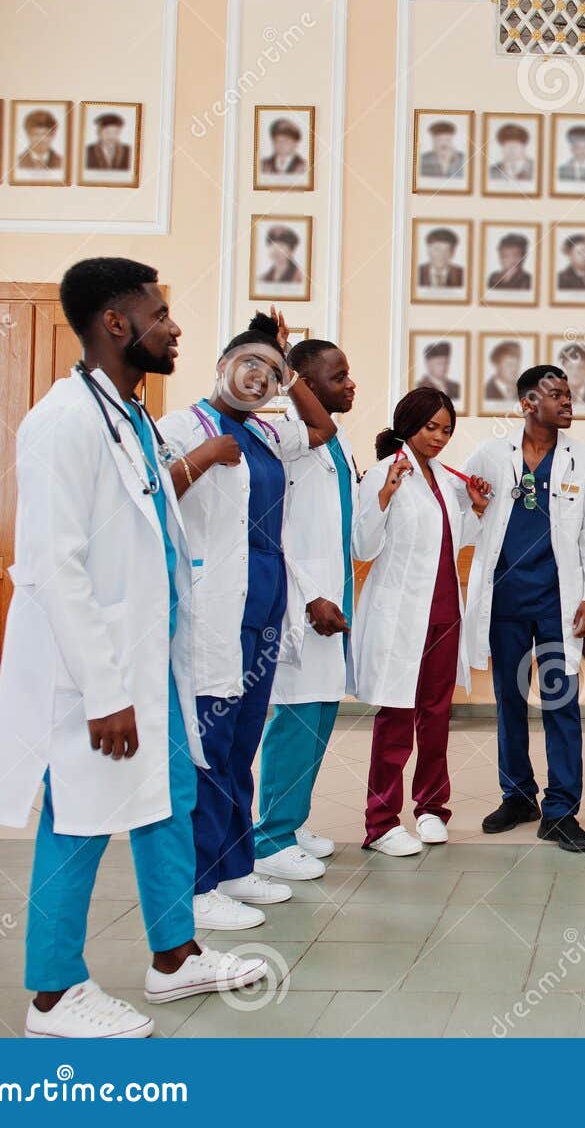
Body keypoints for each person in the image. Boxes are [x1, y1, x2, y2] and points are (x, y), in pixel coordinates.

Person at [0, 257, 265, 1038]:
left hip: (148, 660)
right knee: (78, 814)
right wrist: (105, 691)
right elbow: (53, 566)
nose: (174, 327)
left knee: (166, 800)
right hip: (93, 670)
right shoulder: (62, 421)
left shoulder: (130, 416)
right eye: (160, 314)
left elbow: (145, 522)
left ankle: (173, 958)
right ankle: (52, 992)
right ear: (116, 323)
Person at [159, 312, 336, 930]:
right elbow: (152, 497)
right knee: (208, 748)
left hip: (262, 605)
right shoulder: (182, 427)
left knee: (240, 745)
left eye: (272, 373)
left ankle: (235, 867)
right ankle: (198, 886)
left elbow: (322, 426)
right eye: (249, 365)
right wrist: (207, 455)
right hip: (213, 608)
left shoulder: (266, 433)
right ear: (220, 367)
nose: (259, 378)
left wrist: (288, 365)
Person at [462, 365, 585, 852]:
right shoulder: (489, 454)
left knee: (559, 702)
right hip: (505, 598)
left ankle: (562, 808)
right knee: (508, 700)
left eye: (569, 394)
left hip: (557, 602)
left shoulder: (583, 462)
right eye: (557, 395)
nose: (568, 401)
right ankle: (518, 795)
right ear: (528, 403)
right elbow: (465, 520)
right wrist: (477, 509)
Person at [355, 388, 492, 855]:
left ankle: (432, 809)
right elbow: (362, 546)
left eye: (446, 430)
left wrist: (474, 506)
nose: (439, 437)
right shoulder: (382, 473)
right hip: (400, 616)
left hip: (444, 614)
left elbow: (458, 541)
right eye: (430, 427)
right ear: (406, 423)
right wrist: (385, 494)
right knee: (395, 719)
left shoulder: (445, 478)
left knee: (436, 717)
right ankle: (381, 822)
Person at [252, 339, 359, 883]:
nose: (350, 384)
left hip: (334, 597)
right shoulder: (287, 444)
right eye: (338, 377)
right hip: (303, 602)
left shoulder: (337, 448)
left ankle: (290, 825)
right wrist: (312, 594)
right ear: (307, 387)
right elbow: (277, 528)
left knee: (319, 715)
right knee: (294, 717)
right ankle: (269, 837)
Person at [559, 342, 585, 408]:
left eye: (580, 367)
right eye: (570, 367)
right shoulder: (556, 393)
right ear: (563, 369)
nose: (575, 373)